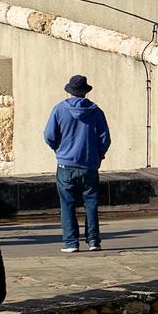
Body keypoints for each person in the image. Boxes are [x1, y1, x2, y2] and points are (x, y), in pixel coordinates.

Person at [44, 74, 111, 253]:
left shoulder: (59, 109)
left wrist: (59, 150)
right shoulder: (96, 111)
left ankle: (71, 242)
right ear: (85, 92)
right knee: (91, 203)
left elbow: (49, 136)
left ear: (70, 92)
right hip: (89, 165)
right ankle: (93, 240)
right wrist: (98, 156)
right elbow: (105, 139)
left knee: (67, 204)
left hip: (66, 165)